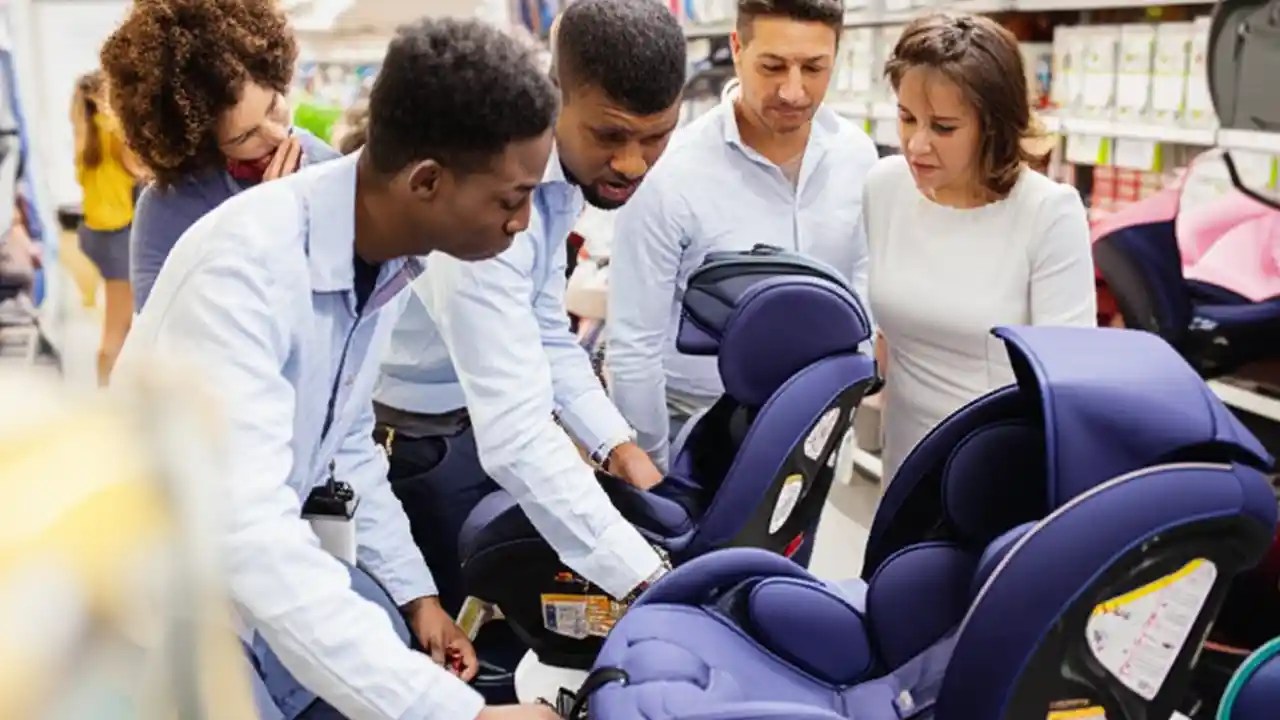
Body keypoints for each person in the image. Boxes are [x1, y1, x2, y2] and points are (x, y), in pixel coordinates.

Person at [112, 17, 562, 720]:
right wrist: (463, 717)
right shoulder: (244, 271)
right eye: (511, 199)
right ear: (427, 182)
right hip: (168, 601)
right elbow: (251, 536)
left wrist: (417, 596)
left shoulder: (375, 253)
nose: (522, 223)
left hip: (257, 578)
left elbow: (343, 441)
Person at [372, 0, 686, 620]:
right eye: (611, 135)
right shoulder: (484, 192)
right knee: (442, 639)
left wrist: (621, 453)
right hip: (414, 447)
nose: (633, 163)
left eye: (657, 136)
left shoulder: (564, 180)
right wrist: (654, 584)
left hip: (475, 426)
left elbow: (543, 331)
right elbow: (515, 431)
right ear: (557, 97)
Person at [606, 0, 879, 471]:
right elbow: (634, 343)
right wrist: (651, 463)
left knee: (795, 548)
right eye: (772, 66)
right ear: (737, 47)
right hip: (694, 424)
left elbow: (861, 282)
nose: (793, 91)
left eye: (814, 68)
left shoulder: (857, 156)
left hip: (813, 420)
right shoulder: (672, 173)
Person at [866, 13, 1097, 484]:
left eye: (944, 127)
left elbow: (1069, 383)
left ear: (993, 126)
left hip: (1000, 476)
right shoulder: (884, 188)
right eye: (907, 118)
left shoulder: (1047, 212)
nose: (916, 144)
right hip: (904, 464)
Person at [99, 0, 341, 312]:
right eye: (245, 135)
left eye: (275, 106)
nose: (277, 135)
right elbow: (164, 343)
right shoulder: (168, 211)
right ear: (201, 146)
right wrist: (269, 224)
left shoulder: (329, 169)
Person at [70, 70, 147, 385]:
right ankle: (106, 397)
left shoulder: (84, 133)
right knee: (118, 329)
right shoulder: (115, 132)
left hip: (93, 232)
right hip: (116, 235)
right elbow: (139, 171)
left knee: (119, 324)